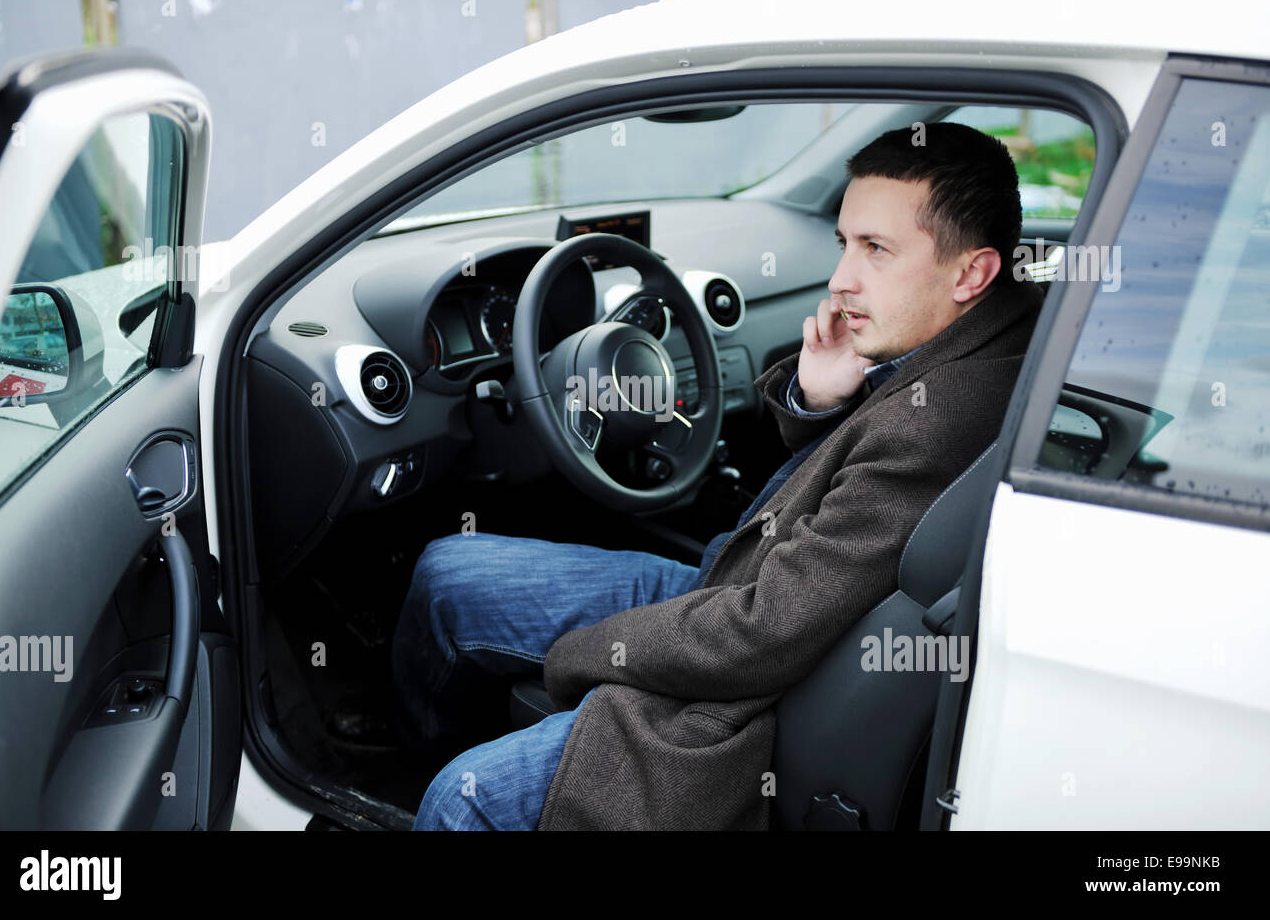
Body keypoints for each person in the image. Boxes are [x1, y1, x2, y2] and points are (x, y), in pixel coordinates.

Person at [392, 121, 1044, 830]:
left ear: (972, 272)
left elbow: (763, 636)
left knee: (464, 800)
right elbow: (840, 489)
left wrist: (589, 654)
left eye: (877, 250)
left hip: (748, 690)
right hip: (749, 590)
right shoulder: (991, 338)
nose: (840, 280)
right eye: (843, 243)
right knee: (448, 572)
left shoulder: (938, 419)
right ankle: (397, 760)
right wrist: (818, 400)